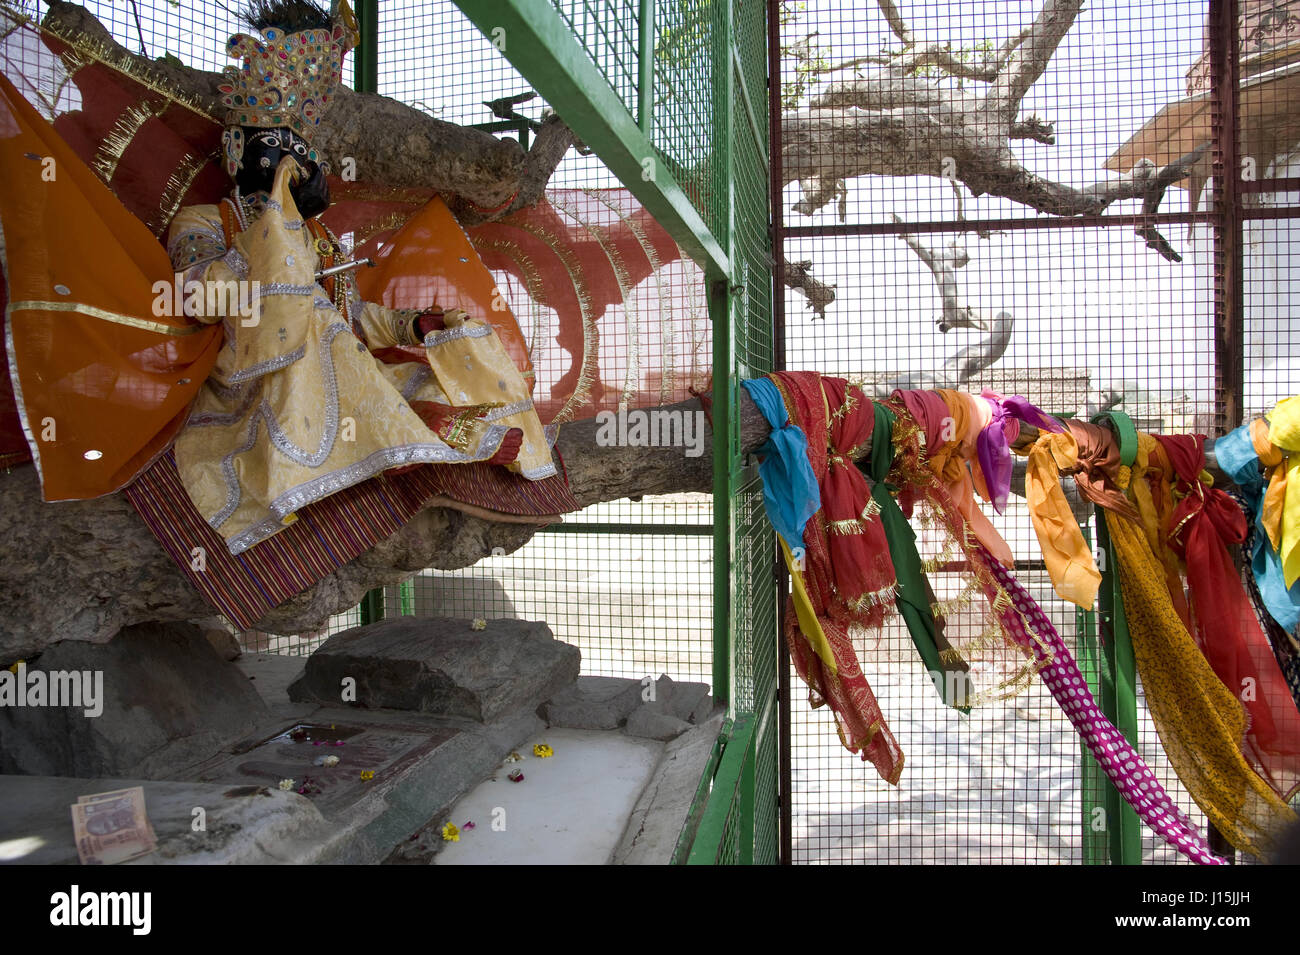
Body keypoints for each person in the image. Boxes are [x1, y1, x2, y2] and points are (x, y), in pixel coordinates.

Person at [166, 0, 554, 555]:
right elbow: (203, 298)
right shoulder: (206, 221)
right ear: (236, 150)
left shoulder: (318, 237)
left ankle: (436, 427)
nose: (291, 165)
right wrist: (274, 223)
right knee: (318, 327)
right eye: (275, 150)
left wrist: (409, 325)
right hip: (252, 366)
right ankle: (407, 437)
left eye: (300, 155)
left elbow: (353, 317)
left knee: (435, 363)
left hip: (337, 364)